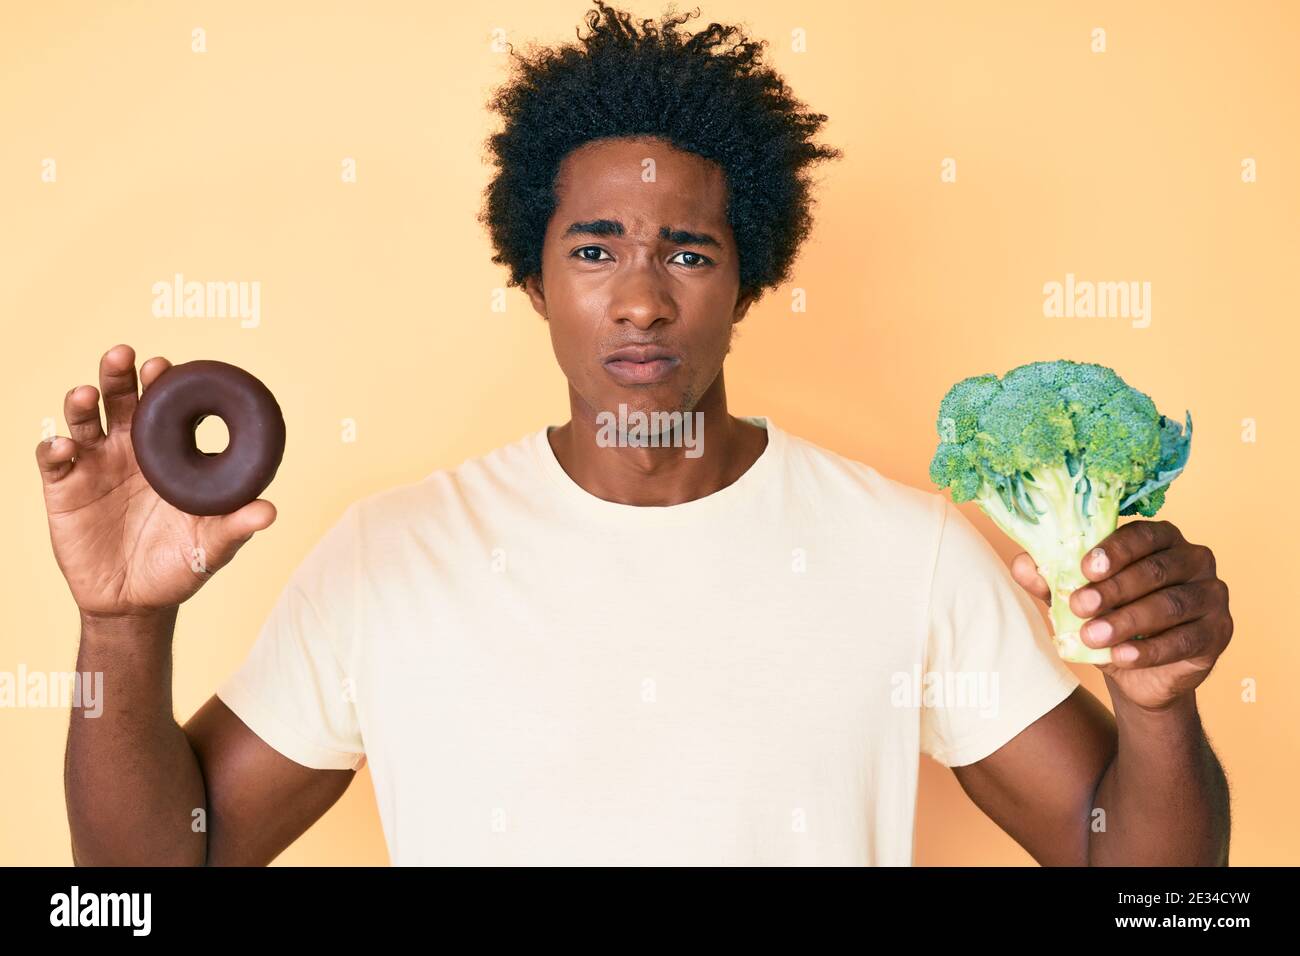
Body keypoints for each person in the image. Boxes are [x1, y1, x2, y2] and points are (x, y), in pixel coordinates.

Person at [41, 1, 1232, 866]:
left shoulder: (898, 548)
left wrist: (1159, 708)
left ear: (747, 278)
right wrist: (118, 627)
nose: (641, 298)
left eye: (690, 251)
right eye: (595, 247)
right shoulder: (387, 556)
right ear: (536, 270)